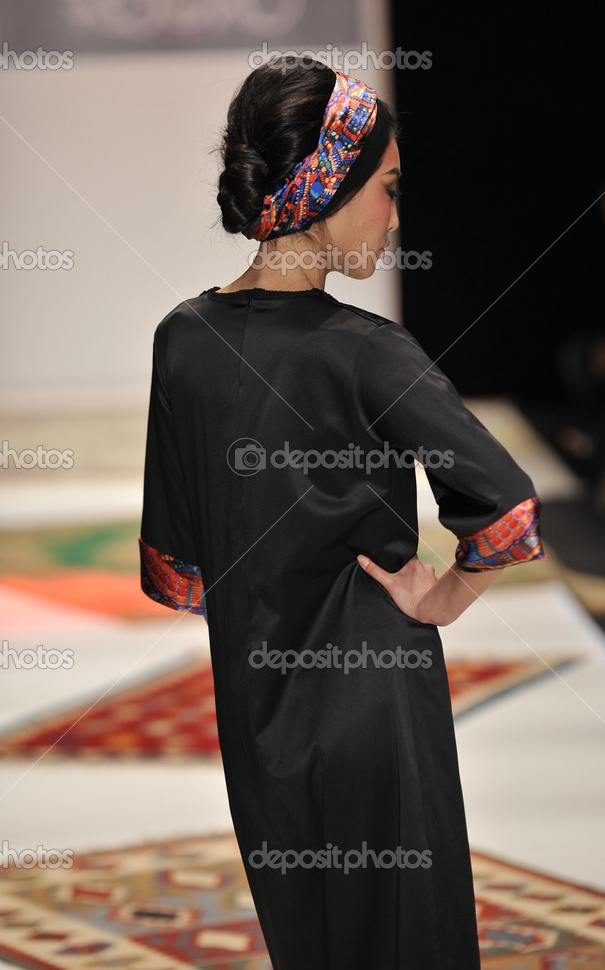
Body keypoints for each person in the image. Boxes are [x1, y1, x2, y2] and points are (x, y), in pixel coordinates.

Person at [138, 56, 546, 970]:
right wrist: (443, 596)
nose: (396, 219)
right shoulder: (367, 351)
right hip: (377, 711)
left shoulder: (181, 343)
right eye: (388, 189)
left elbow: (179, 566)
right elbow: (504, 504)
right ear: (326, 185)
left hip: (259, 727)